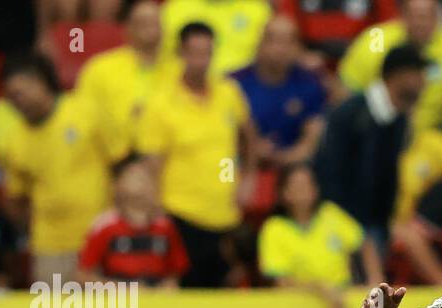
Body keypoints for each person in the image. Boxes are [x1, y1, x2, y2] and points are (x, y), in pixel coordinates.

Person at [137, 21, 257, 288]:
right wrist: (156, 211)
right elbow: (151, 164)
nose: (201, 61)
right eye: (195, 53)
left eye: (207, 53)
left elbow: (248, 136)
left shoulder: (229, 92)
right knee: (188, 292)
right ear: (181, 54)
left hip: (226, 214)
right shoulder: (161, 102)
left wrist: (249, 176)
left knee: (225, 291)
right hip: (181, 215)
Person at [1, 53, 115, 282]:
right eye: (10, 98)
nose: (16, 102)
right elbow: (16, 198)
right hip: (49, 246)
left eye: (19, 93)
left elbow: (121, 165)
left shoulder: (86, 111)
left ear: (40, 83)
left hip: (100, 235)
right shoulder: (13, 141)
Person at [314, 43, 426, 258]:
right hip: (345, 227)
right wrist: (347, 228)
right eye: (418, 74)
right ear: (399, 76)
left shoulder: (399, 119)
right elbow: (329, 172)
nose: (424, 82)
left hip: (378, 224)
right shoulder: (350, 114)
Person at [338, 0, 442, 133]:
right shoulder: (376, 39)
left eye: (427, 16)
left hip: (430, 135)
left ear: (438, 16)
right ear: (402, 15)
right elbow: (345, 92)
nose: (421, 23)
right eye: (415, 15)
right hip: (376, 129)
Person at [257, 162, 381, 308]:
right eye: (296, 186)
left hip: (344, 298)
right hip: (297, 306)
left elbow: (364, 243)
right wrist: (320, 289)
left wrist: (375, 281)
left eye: (307, 184)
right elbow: (281, 281)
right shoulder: (274, 228)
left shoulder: (331, 214)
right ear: (283, 193)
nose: (302, 191)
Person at [73, 0, 169, 163]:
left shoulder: (179, 71)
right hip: (115, 160)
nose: (150, 29)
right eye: (142, 23)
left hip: (168, 158)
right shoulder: (99, 69)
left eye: (155, 22)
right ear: (128, 28)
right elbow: (83, 119)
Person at [77, 155, 190, 287]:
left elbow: (175, 273)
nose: (141, 182)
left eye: (146, 177)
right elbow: (83, 275)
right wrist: (118, 288)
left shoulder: (164, 226)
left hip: (157, 300)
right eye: (133, 176)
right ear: (117, 183)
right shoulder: (105, 226)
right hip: (118, 300)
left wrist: (164, 290)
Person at [231, 15, 327, 170]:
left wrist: (283, 157)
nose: (281, 49)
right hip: (243, 166)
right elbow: (221, 135)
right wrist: (250, 149)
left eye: (289, 41)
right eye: (274, 40)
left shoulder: (310, 84)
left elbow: (312, 140)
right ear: (260, 43)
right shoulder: (234, 84)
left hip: (290, 168)